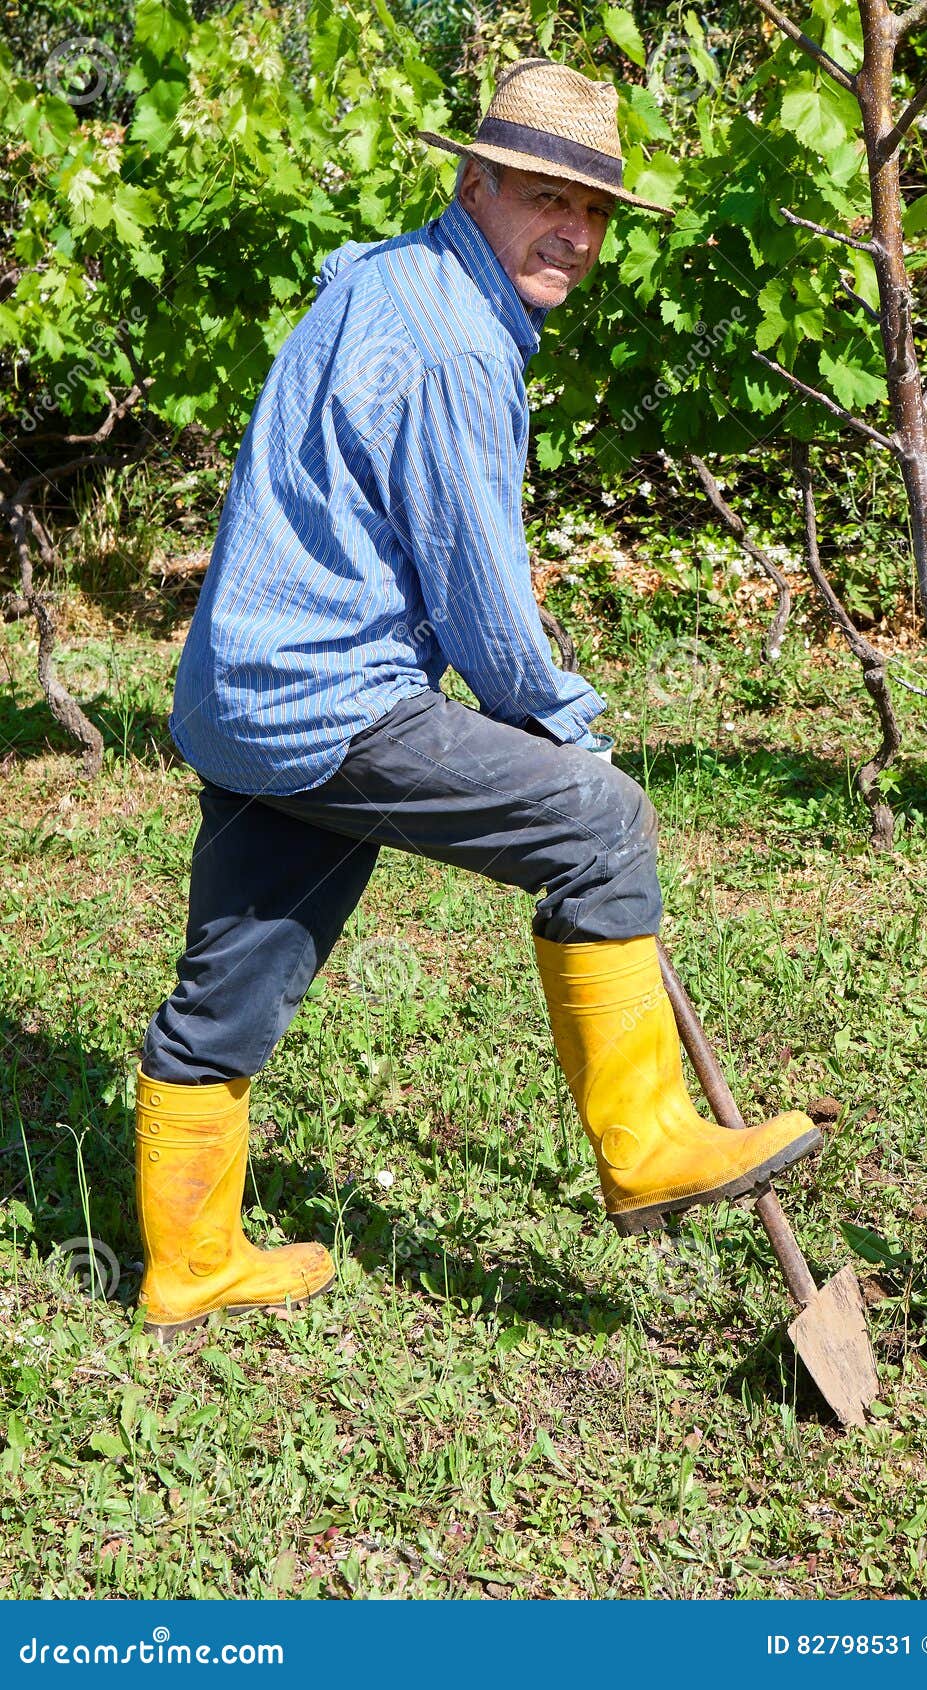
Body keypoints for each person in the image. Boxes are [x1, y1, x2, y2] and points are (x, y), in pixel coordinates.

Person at [135, 59, 819, 1342]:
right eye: (547, 195)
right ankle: (649, 1145)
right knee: (599, 822)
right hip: (332, 697)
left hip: (244, 689)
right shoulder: (453, 341)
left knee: (237, 974)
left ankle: (189, 1260)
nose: (574, 230)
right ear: (478, 179)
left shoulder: (388, 276)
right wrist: (555, 716)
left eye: (597, 209)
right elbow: (480, 595)